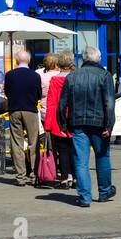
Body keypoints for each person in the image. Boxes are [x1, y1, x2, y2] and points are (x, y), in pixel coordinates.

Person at [57, 46, 116, 207]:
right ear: (99, 59)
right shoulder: (105, 75)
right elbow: (109, 103)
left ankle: (85, 197)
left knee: (81, 161)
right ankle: (104, 192)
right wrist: (109, 125)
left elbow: (62, 103)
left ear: (83, 59)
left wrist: (62, 123)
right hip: (99, 123)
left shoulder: (72, 76)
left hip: (77, 123)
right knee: (102, 157)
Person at [3, 49, 42, 187]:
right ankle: (34, 174)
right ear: (29, 60)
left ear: (16, 61)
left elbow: (7, 92)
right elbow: (39, 94)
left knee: (16, 143)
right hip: (30, 110)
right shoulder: (35, 76)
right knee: (34, 142)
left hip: (14, 110)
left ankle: (20, 177)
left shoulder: (10, 75)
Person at [44, 51, 75, 187]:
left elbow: (50, 103)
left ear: (59, 63)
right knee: (75, 149)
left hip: (58, 118)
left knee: (62, 150)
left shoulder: (55, 80)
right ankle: (75, 179)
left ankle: (63, 179)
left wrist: (48, 125)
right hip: (74, 117)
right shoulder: (76, 78)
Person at [38, 52, 59, 124]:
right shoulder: (61, 76)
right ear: (56, 63)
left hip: (45, 113)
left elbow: (38, 94)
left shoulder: (41, 77)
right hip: (58, 112)